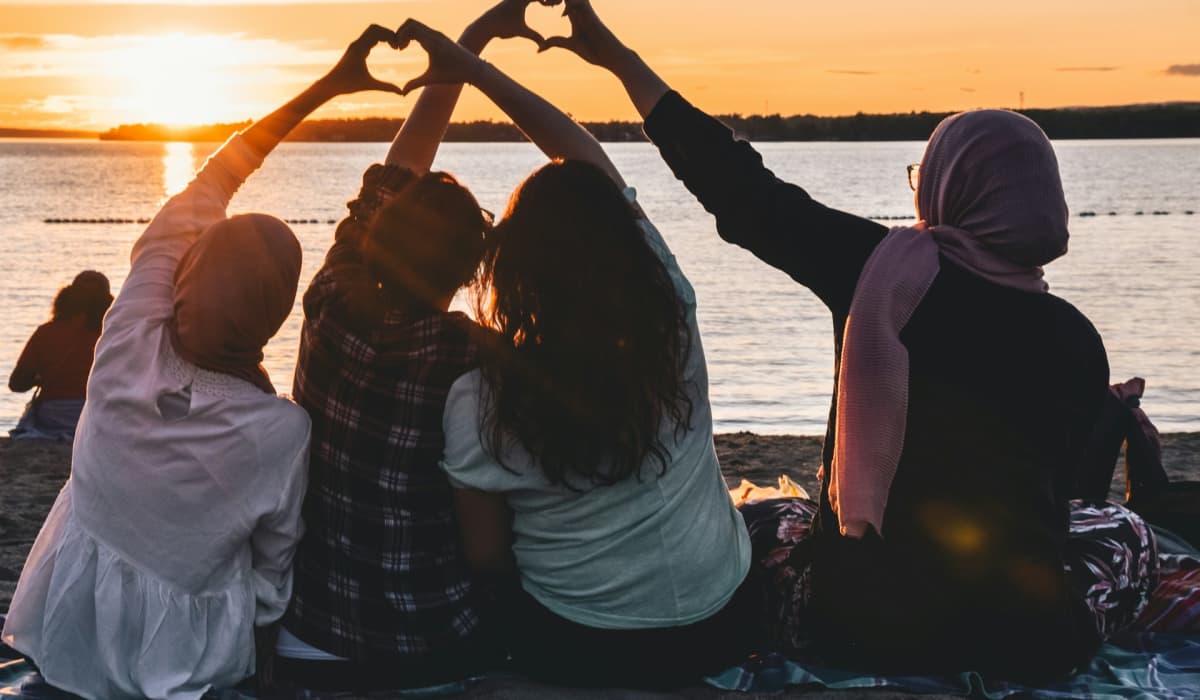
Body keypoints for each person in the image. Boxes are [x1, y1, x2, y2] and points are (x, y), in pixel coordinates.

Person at [534, 0, 1157, 682]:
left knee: (767, 520)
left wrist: (619, 60)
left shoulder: (879, 272)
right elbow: (1059, 501)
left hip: (858, 624)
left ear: (953, 188)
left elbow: (737, 187)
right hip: (1022, 636)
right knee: (1127, 532)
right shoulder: (1073, 339)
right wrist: (1114, 425)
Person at [0, 28, 405, 700]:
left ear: (180, 281)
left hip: (71, 626)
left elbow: (218, 175)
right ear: (276, 318)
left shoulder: (128, 335)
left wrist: (330, 84)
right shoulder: (280, 430)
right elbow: (273, 573)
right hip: (187, 657)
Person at [395, 19, 756, 690]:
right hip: (720, 623)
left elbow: (487, 559)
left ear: (515, 266)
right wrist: (476, 70)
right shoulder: (670, 316)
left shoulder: (481, 393)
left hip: (577, 645)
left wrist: (466, 57)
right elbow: (585, 159)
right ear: (624, 247)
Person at [276, 2, 546, 692]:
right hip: (433, 647)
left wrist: (472, 40)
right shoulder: (474, 358)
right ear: (468, 272)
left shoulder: (328, 299)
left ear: (376, 241)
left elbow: (399, 165)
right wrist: (475, 47)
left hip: (311, 637)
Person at [8, 270, 113, 441]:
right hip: (97, 415)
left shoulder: (46, 332)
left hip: (53, 415)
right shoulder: (114, 335)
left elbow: (17, 384)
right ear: (109, 302)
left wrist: (41, 378)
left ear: (67, 298)